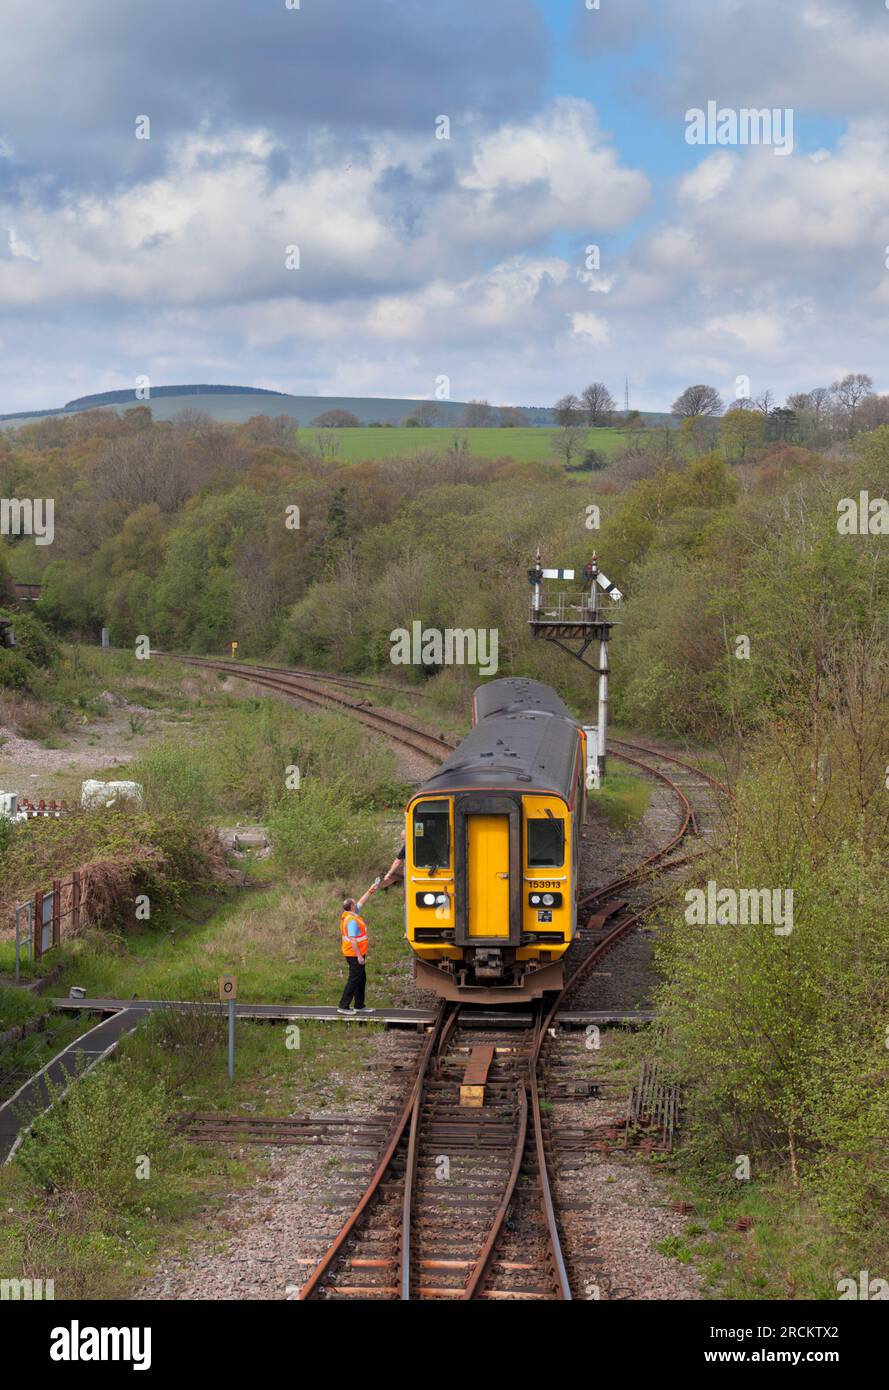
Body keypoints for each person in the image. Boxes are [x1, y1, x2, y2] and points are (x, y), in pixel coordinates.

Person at [337, 888, 376, 1016]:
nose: (357, 904)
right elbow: (353, 940)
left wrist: (371, 890)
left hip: (354, 953)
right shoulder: (352, 921)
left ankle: (359, 1005)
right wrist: (359, 956)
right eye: (355, 903)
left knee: (361, 979)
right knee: (354, 979)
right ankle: (343, 1006)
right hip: (354, 954)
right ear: (352, 907)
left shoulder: (350, 914)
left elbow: (362, 901)